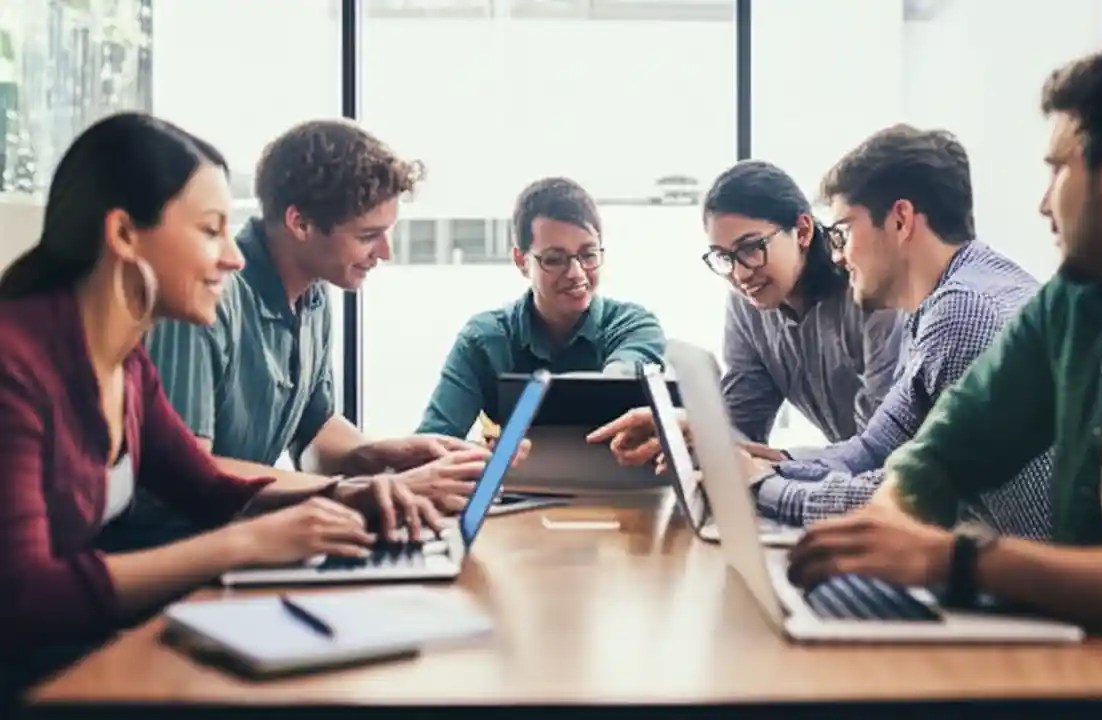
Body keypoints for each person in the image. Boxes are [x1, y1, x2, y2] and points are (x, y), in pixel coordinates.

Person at [787, 36, 1102, 701]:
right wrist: (882, 532)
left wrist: (960, 561)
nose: (1044, 203)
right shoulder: (1076, 303)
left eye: (1058, 170)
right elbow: (949, 447)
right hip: (1090, 671)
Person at [0, 113, 438, 669]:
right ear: (125, 236)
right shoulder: (16, 365)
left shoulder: (127, 366)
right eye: (211, 231)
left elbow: (206, 486)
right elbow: (25, 595)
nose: (233, 257)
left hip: (80, 650)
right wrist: (247, 543)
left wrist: (342, 495)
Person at [132, 120, 490, 549]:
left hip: (247, 541)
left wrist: (382, 457)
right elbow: (190, 471)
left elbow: (313, 436)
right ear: (300, 224)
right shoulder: (207, 296)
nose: (386, 253)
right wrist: (346, 494)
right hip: (175, 553)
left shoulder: (315, 293)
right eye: (368, 236)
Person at [748, 126, 1052, 538]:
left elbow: (902, 500)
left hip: (1042, 595)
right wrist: (764, 463)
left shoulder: (965, 312)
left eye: (842, 232)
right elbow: (874, 450)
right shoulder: (945, 298)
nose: (836, 255)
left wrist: (764, 487)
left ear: (900, 220)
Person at [588, 160, 904, 461]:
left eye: (751, 248)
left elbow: (878, 450)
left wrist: (766, 462)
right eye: (723, 257)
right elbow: (743, 424)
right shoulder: (749, 304)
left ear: (803, 230)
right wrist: (688, 435)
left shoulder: (869, 289)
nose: (739, 275)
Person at [415, 177, 665, 439]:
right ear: (522, 261)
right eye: (555, 259)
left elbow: (617, 383)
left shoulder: (635, 326)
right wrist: (481, 458)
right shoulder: (484, 339)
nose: (576, 273)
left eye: (588, 255)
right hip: (516, 478)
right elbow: (435, 439)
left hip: (617, 477)